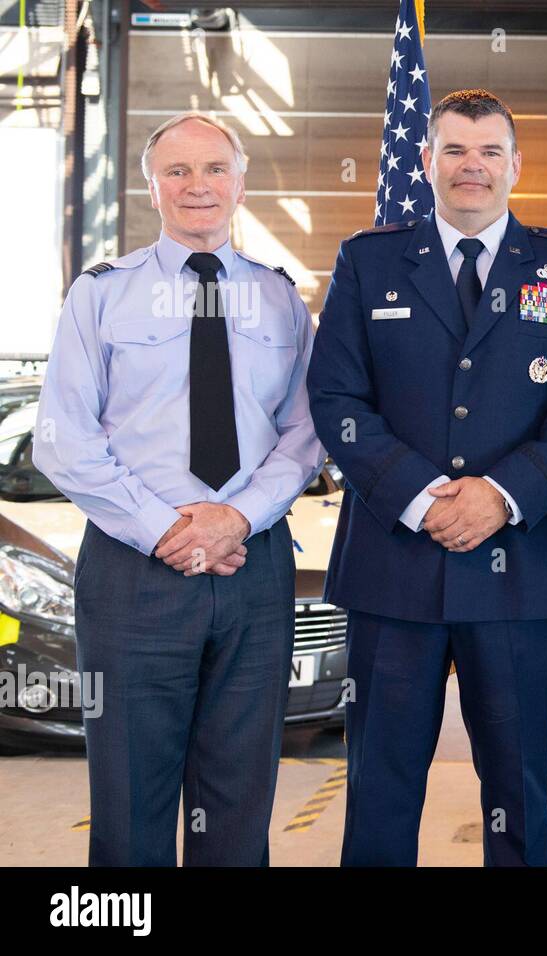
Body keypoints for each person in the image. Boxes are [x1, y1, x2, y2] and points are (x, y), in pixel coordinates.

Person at [307, 89, 547, 867]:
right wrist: (421, 497)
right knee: (380, 784)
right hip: (394, 567)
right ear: (427, 163)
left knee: (516, 786)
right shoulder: (369, 260)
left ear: (516, 166)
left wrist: (501, 494)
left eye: (489, 152)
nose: (471, 167)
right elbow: (336, 396)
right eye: (454, 150)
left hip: (521, 567)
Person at [34, 111, 325, 866]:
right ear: (151, 186)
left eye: (215, 169)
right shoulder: (101, 295)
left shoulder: (280, 299)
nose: (198, 186)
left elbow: (305, 434)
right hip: (135, 569)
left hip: (253, 565)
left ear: (241, 182)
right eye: (178, 171)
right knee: (131, 801)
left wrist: (235, 519)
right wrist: (169, 530)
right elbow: (64, 439)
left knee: (240, 798)